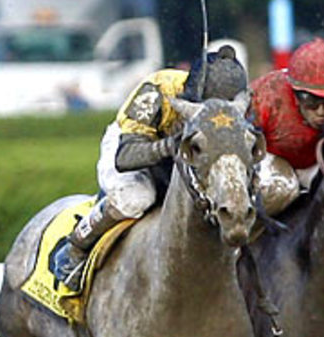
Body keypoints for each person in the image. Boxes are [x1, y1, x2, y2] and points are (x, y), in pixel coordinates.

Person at [50, 45, 249, 289]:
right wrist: (169, 146)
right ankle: (75, 247)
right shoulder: (157, 89)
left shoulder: (240, 106)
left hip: (189, 159)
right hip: (134, 148)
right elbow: (125, 157)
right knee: (136, 198)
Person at [249, 37, 324, 205]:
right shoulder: (266, 95)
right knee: (284, 188)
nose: (320, 111)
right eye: (311, 101)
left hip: (314, 165)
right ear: (295, 93)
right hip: (270, 160)